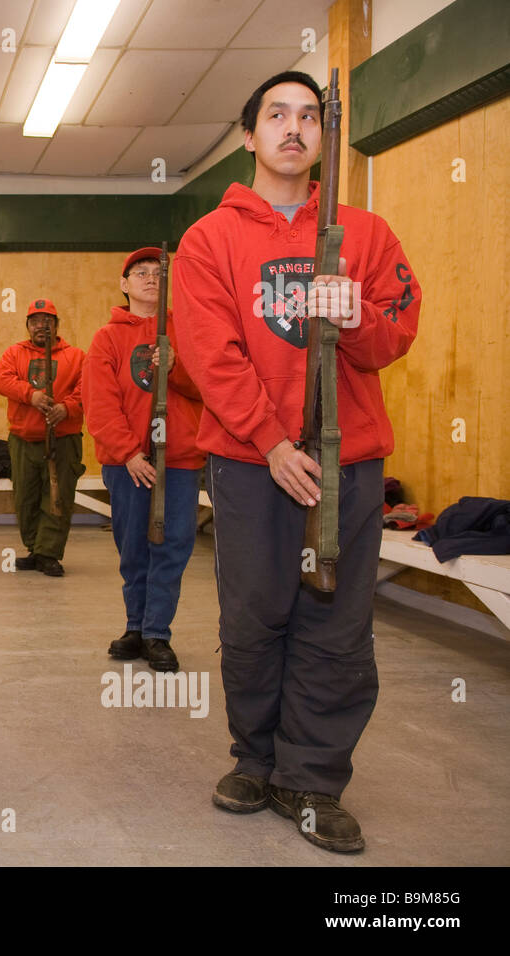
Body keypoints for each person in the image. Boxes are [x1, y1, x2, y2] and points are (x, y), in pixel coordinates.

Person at [173, 71, 421, 852]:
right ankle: (256, 759)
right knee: (252, 618)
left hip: (348, 462)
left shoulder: (366, 233)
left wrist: (356, 317)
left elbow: (396, 334)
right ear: (249, 136)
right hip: (252, 463)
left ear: (325, 135)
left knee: (337, 623)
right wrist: (271, 442)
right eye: (275, 115)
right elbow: (211, 357)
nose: (292, 128)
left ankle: (311, 779)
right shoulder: (210, 240)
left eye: (308, 116)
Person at [82, 249, 204, 674]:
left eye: (158, 273)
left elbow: (210, 388)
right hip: (127, 462)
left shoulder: (186, 331)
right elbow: (99, 404)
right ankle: (135, 625)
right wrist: (128, 452)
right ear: (124, 283)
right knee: (133, 548)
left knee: (172, 547)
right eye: (141, 273)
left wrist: (177, 369)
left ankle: (157, 633)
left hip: (180, 461)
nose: (150, 279)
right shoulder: (107, 338)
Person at [0, 297, 85, 577]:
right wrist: (31, 395)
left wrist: (65, 408)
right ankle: (35, 549)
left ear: (57, 325)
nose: (41, 326)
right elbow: (3, 381)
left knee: (57, 497)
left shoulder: (77, 356)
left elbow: (88, 388)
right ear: (28, 326)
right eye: (35, 321)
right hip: (23, 440)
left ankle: (49, 554)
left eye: (47, 321)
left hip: (63, 440)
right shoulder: (14, 353)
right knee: (26, 497)